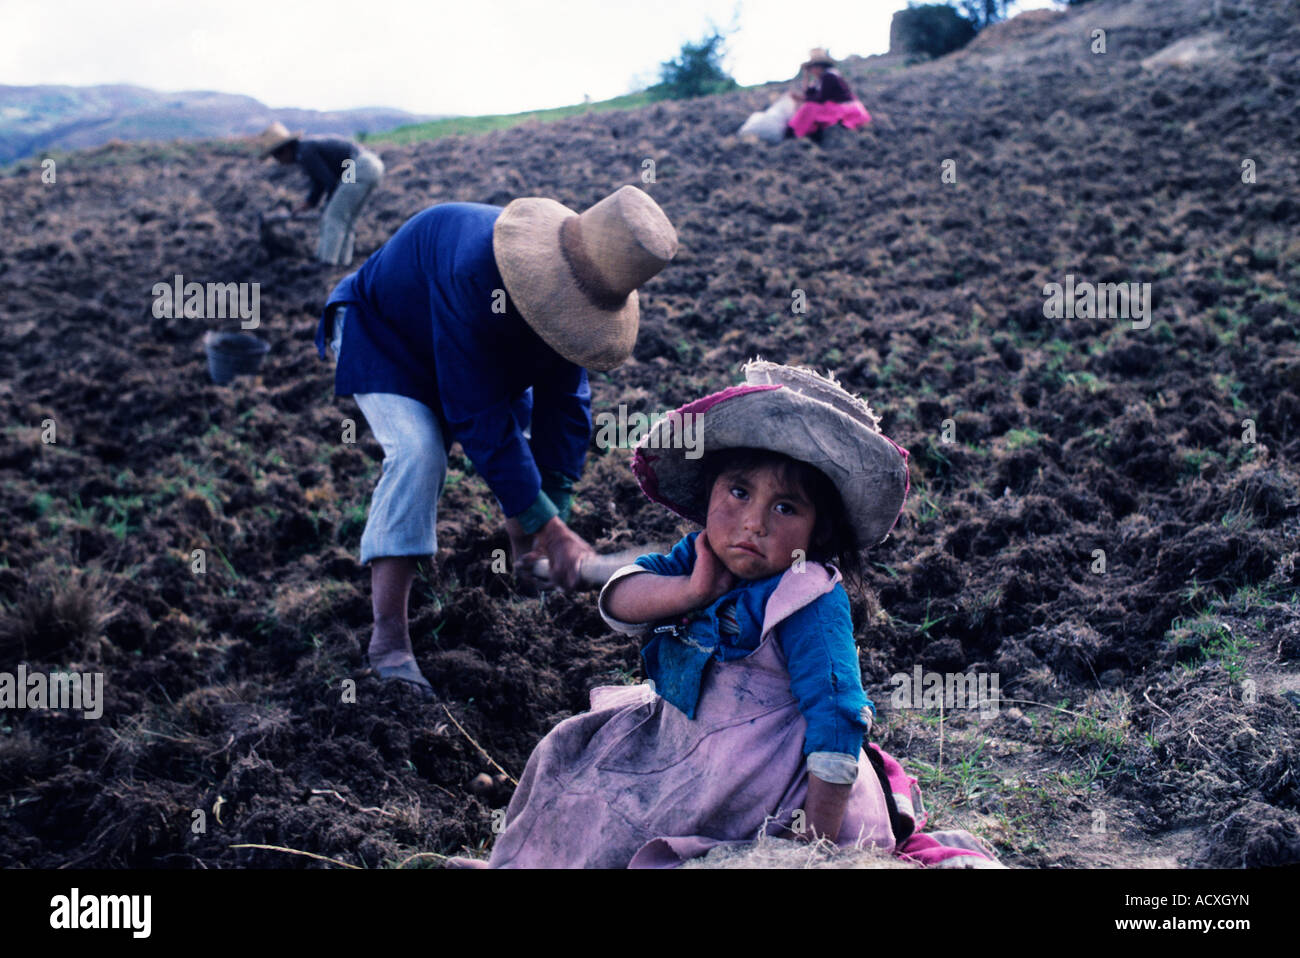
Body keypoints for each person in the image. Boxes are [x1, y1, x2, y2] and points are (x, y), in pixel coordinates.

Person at [459, 360, 1001, 868]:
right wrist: (691, 591)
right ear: (710, 490)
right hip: (683, 746)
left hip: (766, 784)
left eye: (785, 507)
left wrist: (807, 846)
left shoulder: (807, 597)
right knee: (568, 755)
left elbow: (838, 717)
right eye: (738, 492)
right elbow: (622, 600)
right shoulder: (698, 556)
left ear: (820, 531)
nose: (753, 524)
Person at [316, 185, 678, 699]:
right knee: (420, 453)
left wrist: (558, 507)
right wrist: (550, 526)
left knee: (527, 448)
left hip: (470, 346)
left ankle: (525, 569)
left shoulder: (576, 298)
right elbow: (475, 412)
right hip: (384, 335)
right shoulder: (475, 269)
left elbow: (566, 405)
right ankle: (388, 639)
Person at [254, 122, 384, 266]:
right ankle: (342, 263)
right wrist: (310, 203)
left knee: (333, 217)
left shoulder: (305, 152)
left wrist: (327, 205)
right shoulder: (305, 149)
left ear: (284, 150)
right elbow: (319, 182)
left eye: (276, 157)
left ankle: (327, 264)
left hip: (359, 166)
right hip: (371, 165)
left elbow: (329, 181)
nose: (279, 162)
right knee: (346, 219)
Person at [786, 48, 872, 142]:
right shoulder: (821, 79)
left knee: (809, 108)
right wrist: (806, 77)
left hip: (847, 108)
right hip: (837, 106)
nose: (811, 71)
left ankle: (797, 133)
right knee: (809, 106)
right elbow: (809, 93)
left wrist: (802, 99)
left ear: (819, 66)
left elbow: (821, 99)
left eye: (811, 68)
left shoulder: (829, 76)